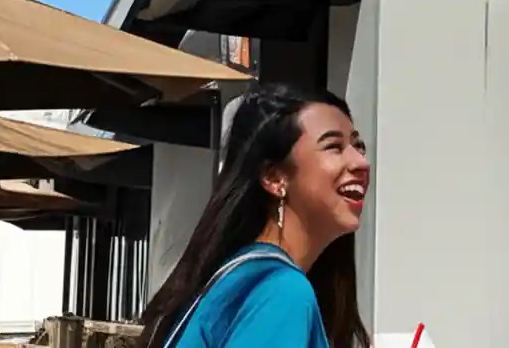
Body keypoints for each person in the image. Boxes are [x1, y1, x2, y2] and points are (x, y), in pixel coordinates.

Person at [140, 83, 372, 348]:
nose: (361, 162)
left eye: (359, 146)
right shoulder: (281, 291)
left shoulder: (242, 278)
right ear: (274, 177)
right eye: (334, 146)